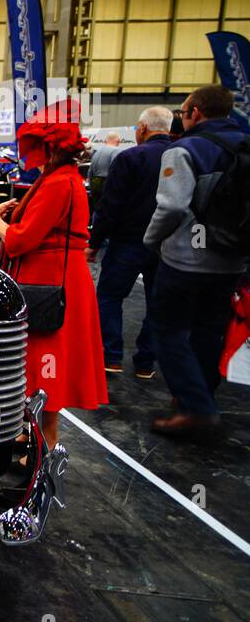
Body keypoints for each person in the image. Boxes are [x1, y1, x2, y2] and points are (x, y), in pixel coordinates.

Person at [0, 100, 108, 449]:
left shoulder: (58, 183)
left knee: (45, 363)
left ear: (52, 147)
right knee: (47, 364)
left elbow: (20, 239)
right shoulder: (63, 179)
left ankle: (40, 444)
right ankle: (38, 439)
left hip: (49, 280)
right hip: (59, 277)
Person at [143, 85, 249, 436]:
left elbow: (172, 206)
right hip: (232, 260)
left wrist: (152, 240)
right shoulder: (244, 144)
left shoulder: (185, 149)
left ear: (195, 113)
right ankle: (199, 397)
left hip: (187, 258)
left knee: (168, 329)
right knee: (210, 330)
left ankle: (195, 407)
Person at [87, 107, 174, 380]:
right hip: (167, 244)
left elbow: (111, 205)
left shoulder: (131, 157)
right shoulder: (182, 154)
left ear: (143, 128)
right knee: (158, 303)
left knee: (110, 297)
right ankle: (146, 362)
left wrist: (94, 241)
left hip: (128, 240)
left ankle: (111, 357)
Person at [87, 133, 123, 216]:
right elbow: (115, 169)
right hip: (107, 182)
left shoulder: (97, 152)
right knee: (109, 212)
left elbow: (90, 172)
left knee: (97, 210)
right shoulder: (116, 150)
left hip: (95, 182)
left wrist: (92, 188)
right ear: (118, 141)